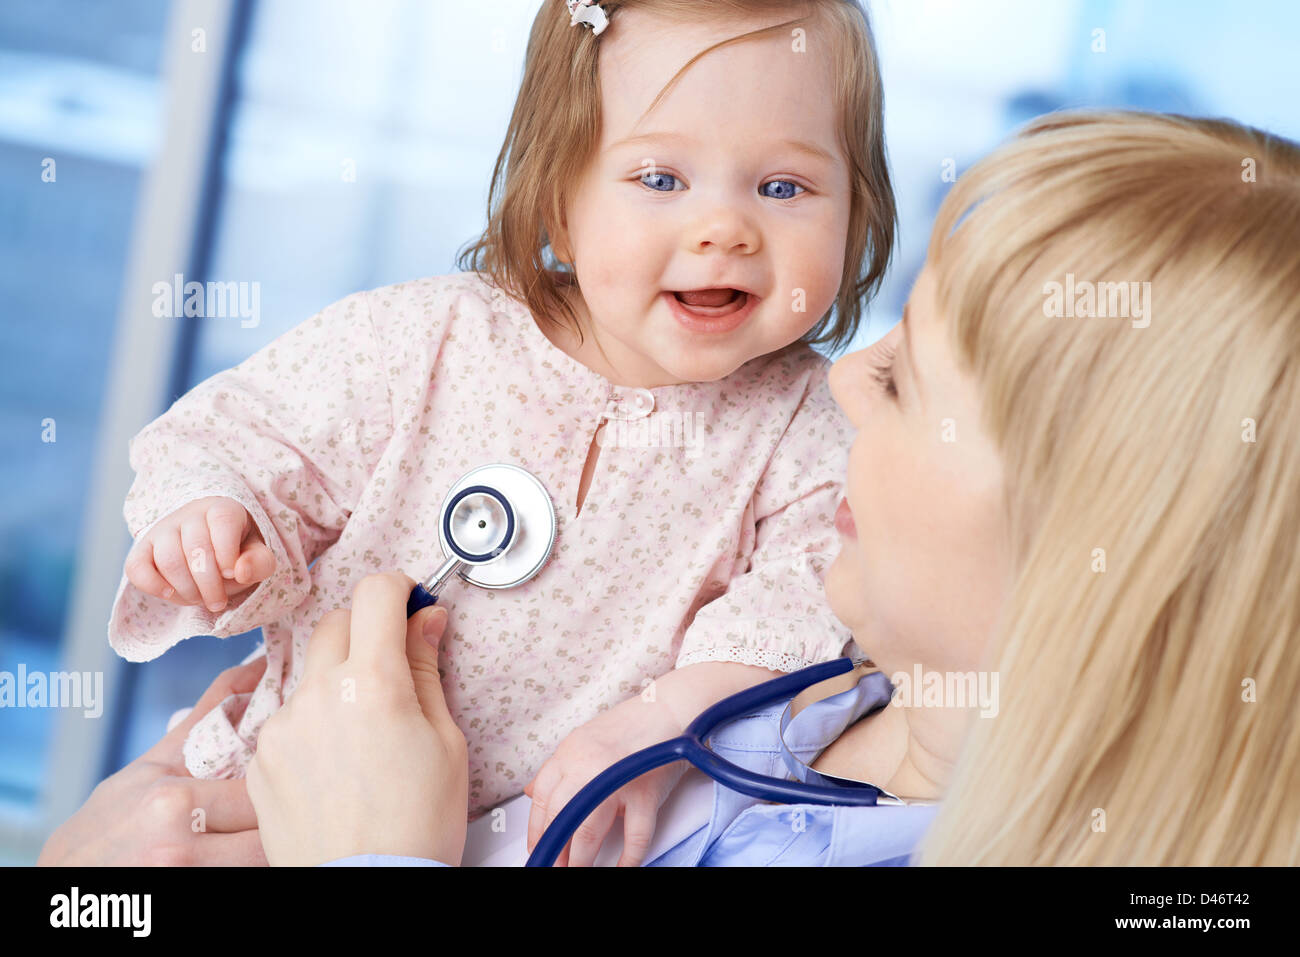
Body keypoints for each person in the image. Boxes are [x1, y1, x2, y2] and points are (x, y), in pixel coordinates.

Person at [44, 108, 1300, 866]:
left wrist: (367, 846)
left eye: (911, 386)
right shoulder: (814, 698)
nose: (844, 388)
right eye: (657, 177)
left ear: (1102, 538)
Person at [103, 0, 897, 866]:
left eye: (784, 188)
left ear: (858, 211)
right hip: (277, 796)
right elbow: (246, 434)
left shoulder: (814, 435)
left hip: (533, 844)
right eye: (661, 179)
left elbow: (800, 606)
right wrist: (216, 515)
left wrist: (662, 726)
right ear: (559, 197)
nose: (726, 230)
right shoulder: (422, 341)